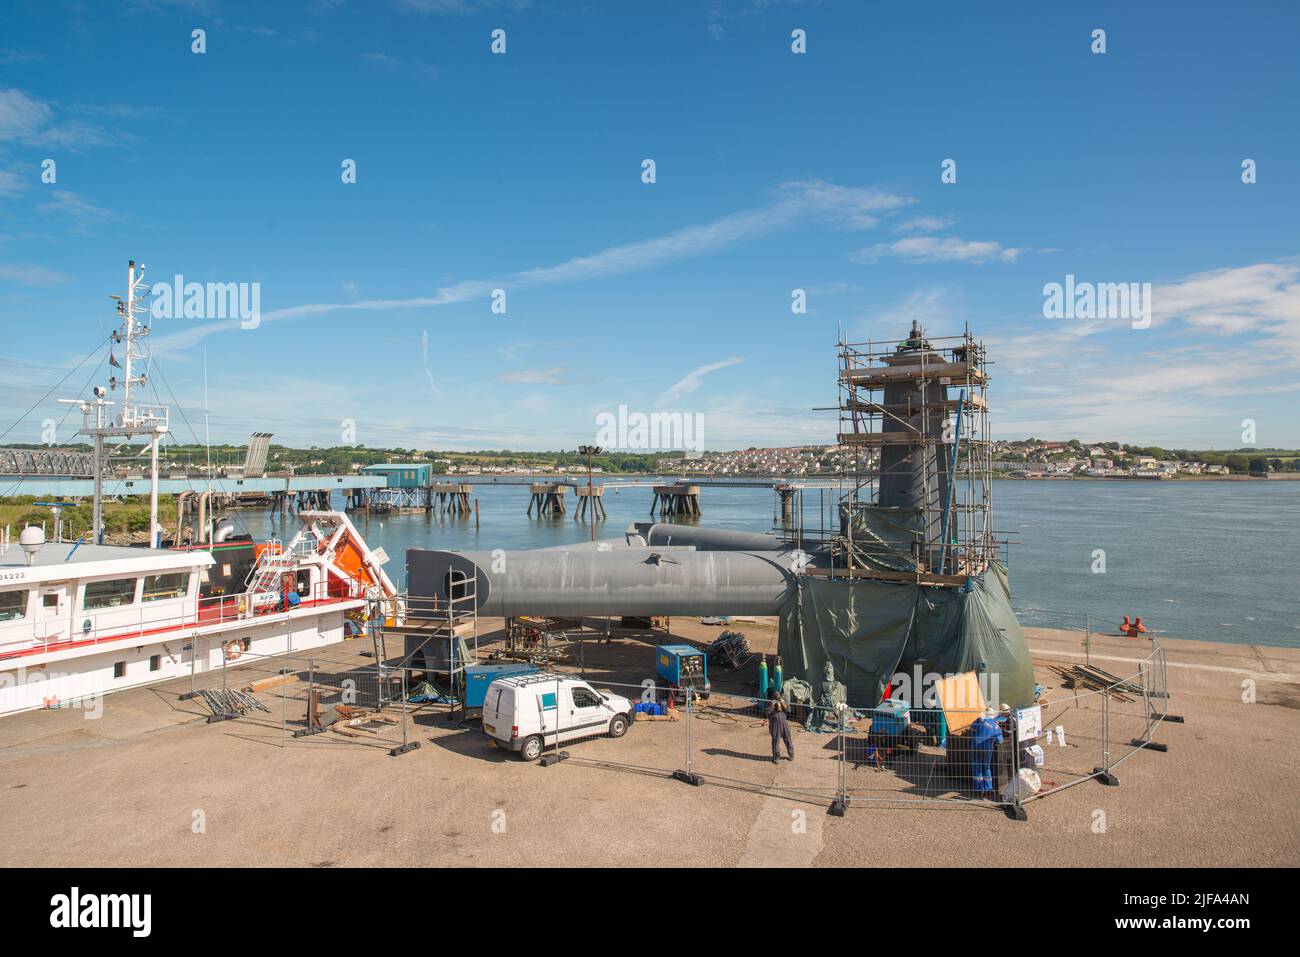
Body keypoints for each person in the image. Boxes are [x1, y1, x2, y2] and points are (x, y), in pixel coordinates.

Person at [768, 691, 794, 763]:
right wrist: (772, 705)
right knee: (775, 741)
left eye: (778, 696)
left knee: (788, 740)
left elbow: (789, 710)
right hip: (775, 725)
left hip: (784, 724)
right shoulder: (770, 704)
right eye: (776, 696)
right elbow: (767, 713)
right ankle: (776, 757)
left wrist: (783, 704)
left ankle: (791, 755)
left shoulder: (783, 703)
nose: (777, 698)